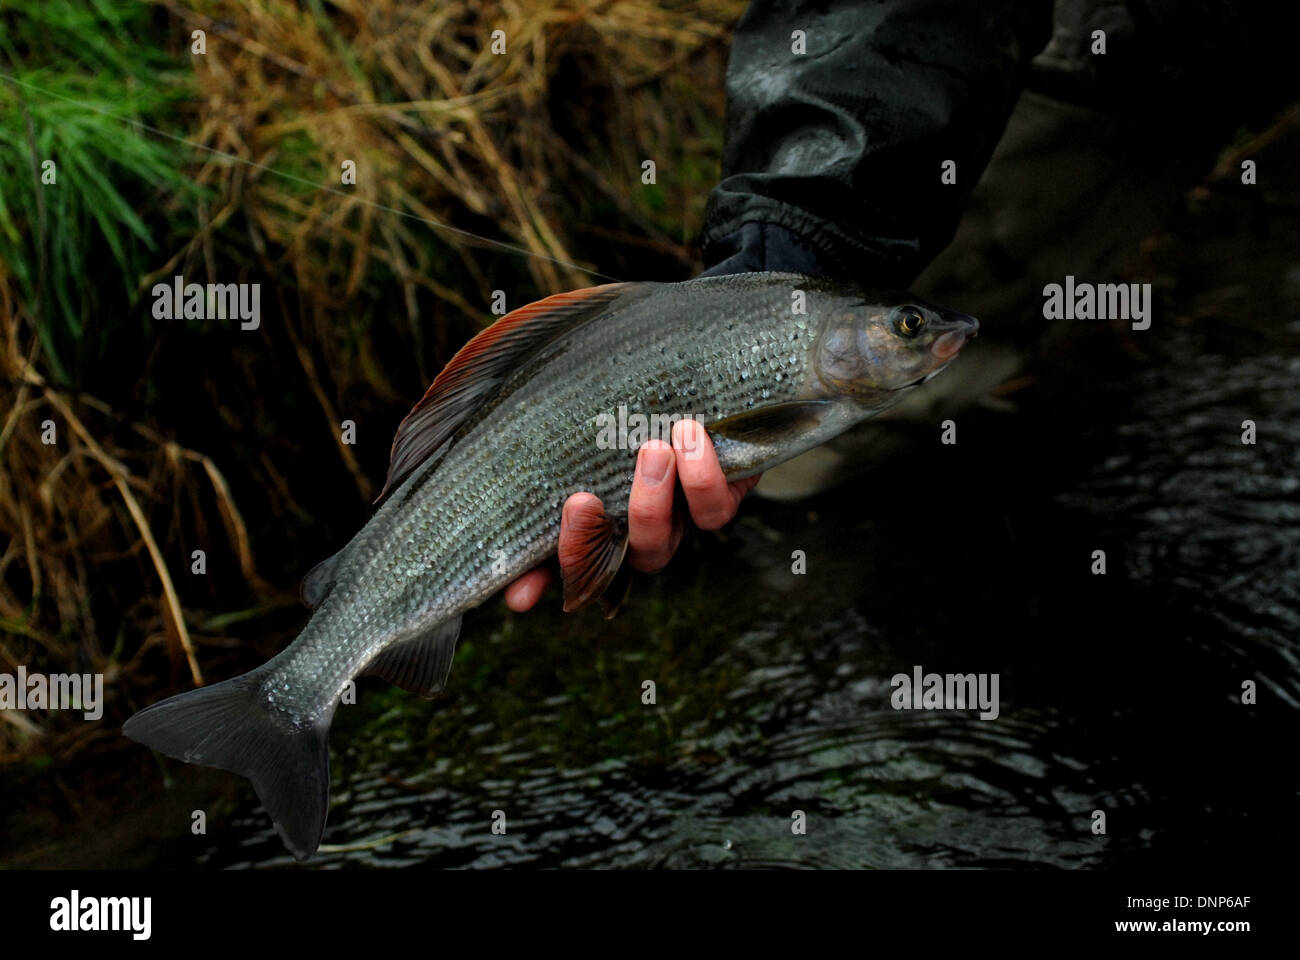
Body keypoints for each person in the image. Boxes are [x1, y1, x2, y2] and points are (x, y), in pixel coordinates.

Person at [505, 0, 1288, 611]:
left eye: (916, 328)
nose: (938, 331)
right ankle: (813, 594)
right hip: (1116, 48)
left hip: (1238, 59)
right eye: (913, 327)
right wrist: (797, 238)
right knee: (813, 459)